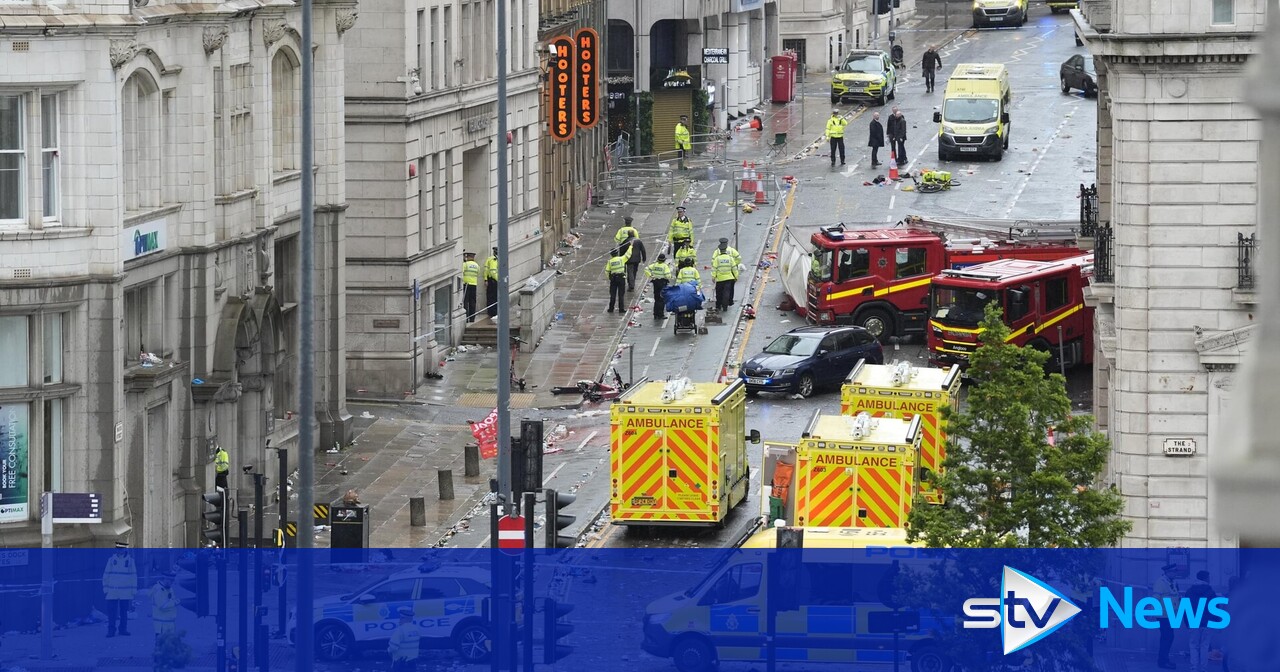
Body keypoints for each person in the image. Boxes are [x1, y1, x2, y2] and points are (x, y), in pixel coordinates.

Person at [102, 541, 137, 637]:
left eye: (121, 549)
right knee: (111, 612)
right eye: (118, 549)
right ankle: (111, 630)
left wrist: (133, 591)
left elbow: (133, 576)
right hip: (112, 591)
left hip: (125, 592)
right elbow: (106, 574)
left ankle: (123, 629)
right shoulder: (111, 560)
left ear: (125, 549)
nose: (119, 551)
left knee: (123, 612)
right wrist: (106, 589)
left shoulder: (130, 561)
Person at [1184, 571, 1216, 672]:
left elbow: (1185, 608)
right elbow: (1215, 608)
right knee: (1204, 646)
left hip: (1193, 622)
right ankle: (1204, 669)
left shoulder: (1189, 591)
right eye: (1209, 577)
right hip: (1207, 623)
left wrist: (1187, 623)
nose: (1210, 579)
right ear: (1205, 578)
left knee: (1193, 646)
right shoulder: (1210, 592)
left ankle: (1194, 668)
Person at [1153, 564, 1180, 670]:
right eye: (1173, 572)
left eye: (1175, 571)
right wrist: (1152, 611)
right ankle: (1162, 661)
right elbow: (1156, 597)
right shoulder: (1161, 582)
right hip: (1163, 615)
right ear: (1167, 572)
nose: (1175, 573)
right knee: (1166, 638)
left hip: (1171, 615)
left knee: (1169, 637)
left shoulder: (1172, 582)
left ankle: (1165, 660)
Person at [387, 606, 421, 672]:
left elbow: (392, 648)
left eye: (401, 618)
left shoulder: (400, 630)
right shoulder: (416, 629)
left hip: (401, 662)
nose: (400, 620)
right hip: (412, 662)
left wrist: (388, 651)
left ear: (403, 618)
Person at [711, 240, 740, 312]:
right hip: (729, 278)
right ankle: (726, 305)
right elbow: (734, 268)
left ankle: (718, 305)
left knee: (719, 293)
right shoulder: (730, 258)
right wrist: (736, 276)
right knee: (727, 292)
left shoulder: (717, 258)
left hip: (720, 279)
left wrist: (713, 277)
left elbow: (714, 268)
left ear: (720, 250)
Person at [605, 244, 632, 314]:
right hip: (621, 278)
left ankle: (611, 308)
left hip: (613, 279)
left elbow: (607, 271)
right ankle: (621, 309)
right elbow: (628, 255)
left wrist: (610, 278)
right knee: (621, 294)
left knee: (613, 294)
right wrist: (630, 246)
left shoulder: (610, 262)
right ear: (617, 253)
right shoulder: (621, 259)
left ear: (611, 255)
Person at [151, 573, 178, 640]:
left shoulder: (169, 588)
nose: (172, 582)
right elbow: (162, 606)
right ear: (165, 579)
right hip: (161, 624)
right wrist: (175, 603)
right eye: (171, 580)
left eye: (173, 580)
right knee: (161, 644)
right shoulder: (159, 590)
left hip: (167, 622)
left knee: (167, 644)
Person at [646, 254, 672, 321]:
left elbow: (646, 269)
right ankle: (660, 314)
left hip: (656, 282)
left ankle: (655, 314)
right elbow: (668, 276)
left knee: (656, 299)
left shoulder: (654, 265)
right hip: (662, 283)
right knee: (661, 299)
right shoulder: (665, 266)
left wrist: (651, 276)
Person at [461, 251, 480, 323]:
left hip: (466, 284)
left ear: (467, 257)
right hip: (474, 284)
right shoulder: (477, 265)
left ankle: (466, 318)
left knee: (466, 301)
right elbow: (478, 273)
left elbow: (462, 272)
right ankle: (472, 318)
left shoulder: (465, 264)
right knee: (472, 302)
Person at [484, 247, 499, 319]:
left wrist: (485, 279)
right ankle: (494, 312)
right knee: (494, 297)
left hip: (490, 280)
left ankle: (491, 312)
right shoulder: (494, 260)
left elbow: (486, 270)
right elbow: (493, 272)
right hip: (494, 281)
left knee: (490, 296)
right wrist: (499, 280)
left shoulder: (489, 258)